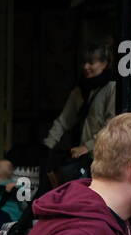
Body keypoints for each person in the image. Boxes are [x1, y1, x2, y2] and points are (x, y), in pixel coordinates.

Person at [42, 44, 116, 185]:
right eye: (84, 62)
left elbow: (111, 126)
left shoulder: (111, 88)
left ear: (104, 63)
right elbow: (63, 121)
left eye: (91, 63)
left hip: (104, 158)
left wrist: (86, 147)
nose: (86, 67)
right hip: (82, 159)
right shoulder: (79, 91)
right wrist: (47, 147)